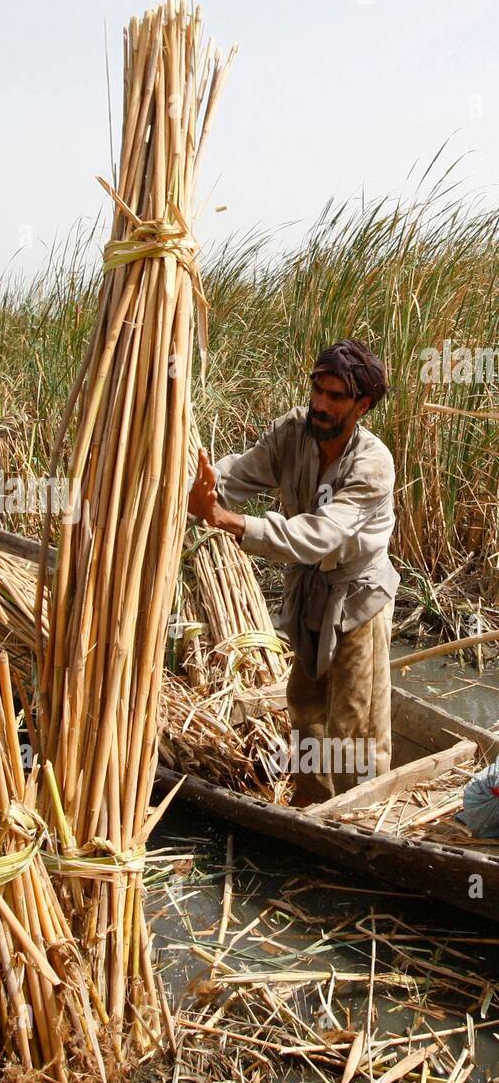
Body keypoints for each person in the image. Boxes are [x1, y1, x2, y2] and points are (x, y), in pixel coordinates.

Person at [187, 339, 398, 803]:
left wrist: (229, 521)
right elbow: (236, 477)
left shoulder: (373, 464)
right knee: (305, 709)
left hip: (357, 599)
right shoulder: (293, 433)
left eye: (335, 396)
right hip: (307, 595)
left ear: (361, 405)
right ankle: (311, 804)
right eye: (316, 390)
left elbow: (321, 535)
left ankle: (365, 817)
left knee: (354, 728)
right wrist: (197, 490)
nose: (319, 404)